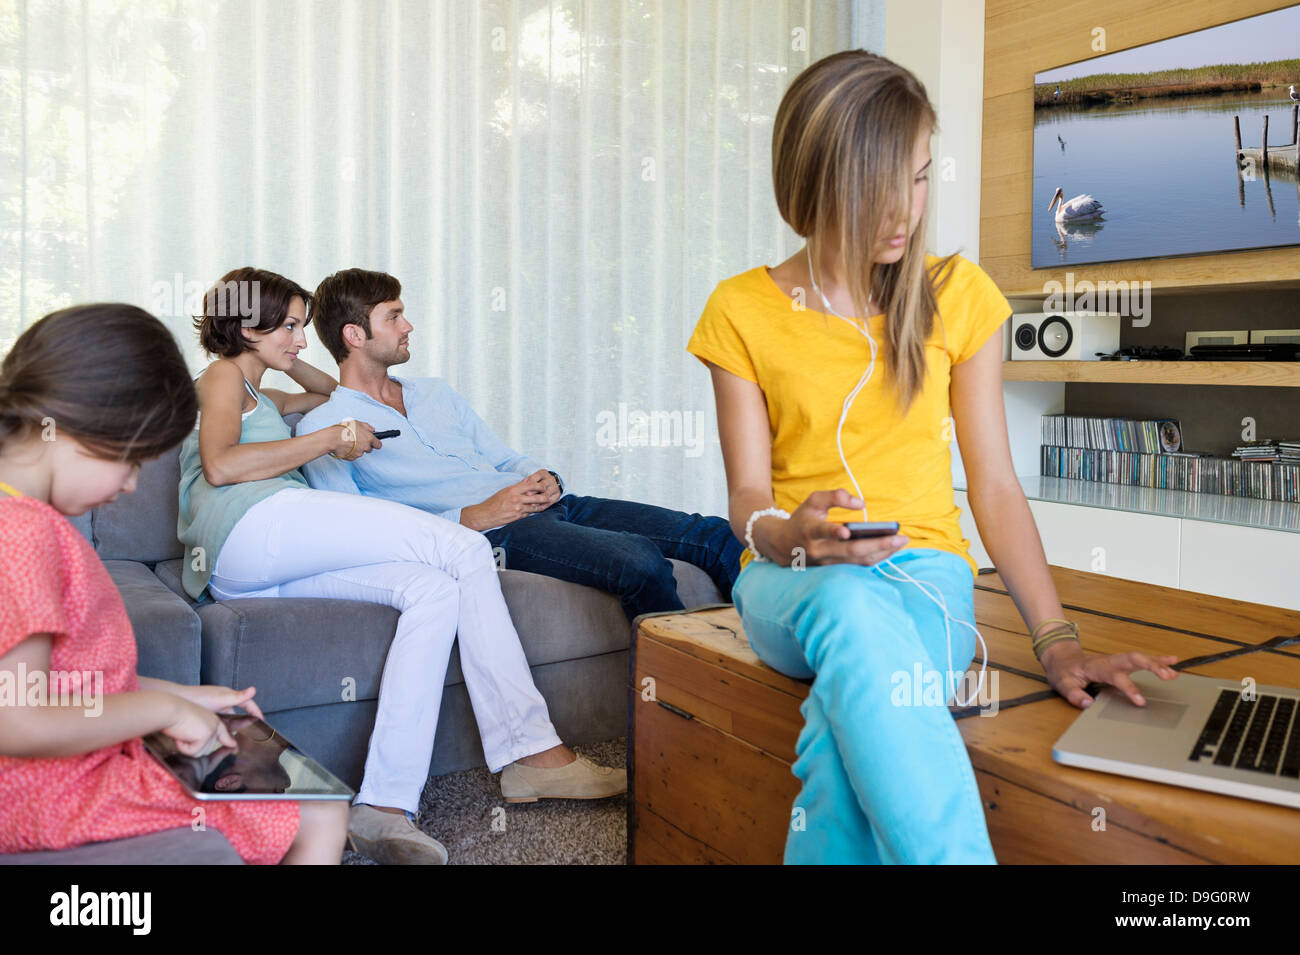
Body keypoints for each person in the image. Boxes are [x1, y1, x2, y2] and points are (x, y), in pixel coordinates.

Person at [686, 50, 1180, 864]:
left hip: (929, 579)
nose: (904, 209)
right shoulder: (741, 309)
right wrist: (787, 537)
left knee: (842, 751)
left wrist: (1056, 639)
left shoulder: (959, 294)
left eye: (919, 178)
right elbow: (747, 492)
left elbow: (992, 483)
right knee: (845, 600)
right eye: (880, 184)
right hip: (792, 581)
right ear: (813, 181)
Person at [179, 268, 626, 865]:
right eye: (289, 327)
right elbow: (221, 466)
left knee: (432, 589)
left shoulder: (267, 390)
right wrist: (328, 436)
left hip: (265, 555)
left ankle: (383, 806)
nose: (302, 339)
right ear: (246, 326)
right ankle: (531, 753)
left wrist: (283, 355)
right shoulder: (222, 376)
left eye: (303, 327)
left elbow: (327, 394)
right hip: (250, 526)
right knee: (462, 547)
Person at [0, 303, 348, 864]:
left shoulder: (26, 519)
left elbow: (66, 680)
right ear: (84, 425)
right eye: (133, 458)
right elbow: (14, 718)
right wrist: (166, 713)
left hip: (59, 774)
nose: (134, 483)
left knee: (285, 782)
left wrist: (186, 695)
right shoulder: (22, 533)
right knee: (315, 808)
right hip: (48, 793)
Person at [295, 268, 741, 623]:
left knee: (716, 535)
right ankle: (689, 695)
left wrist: (543, 477)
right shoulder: (325, 429)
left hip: (550, 504)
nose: (408, 325)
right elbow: (357, 535)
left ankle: (777, 675)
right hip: (496, 533)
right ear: (355, 335)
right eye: (393, 317)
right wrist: (469, 518)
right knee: (639, 561)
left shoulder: (434, 392)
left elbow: (503, 457)